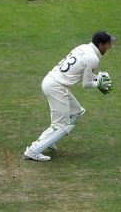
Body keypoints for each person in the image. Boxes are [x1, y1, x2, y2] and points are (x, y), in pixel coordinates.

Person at [24, 31, 114, 162]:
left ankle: (48, 141)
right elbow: (86, 84)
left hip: (52, 81)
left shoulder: (83, 47)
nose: (110, 46)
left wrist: (96, 79)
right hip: (56, 87)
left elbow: (81, 72)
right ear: (101, 45)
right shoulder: (93, 59)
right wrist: (99, 83)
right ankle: (33, 151)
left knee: (76, 112)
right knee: (62, 125)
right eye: (108, 43)